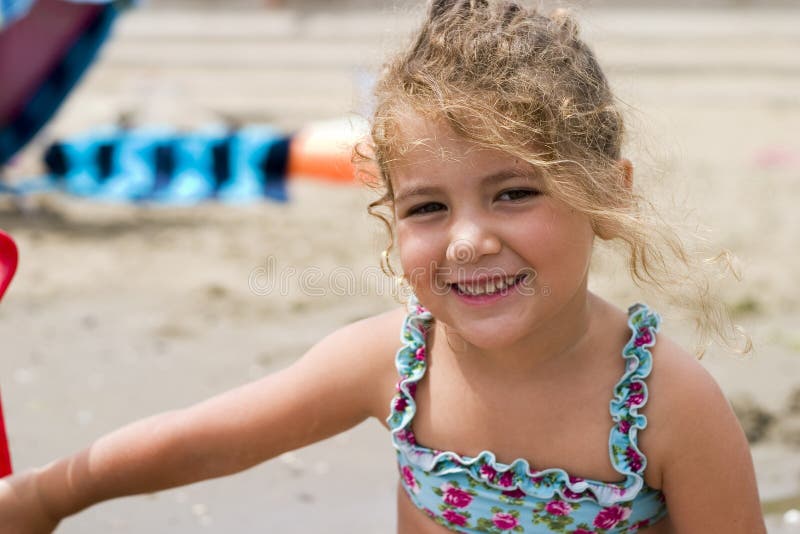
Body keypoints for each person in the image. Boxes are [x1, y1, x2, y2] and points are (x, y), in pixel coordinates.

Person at [0, 1, 766, 532]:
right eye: (428, 208)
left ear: (605, 194)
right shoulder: (400, 362)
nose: (467, 241)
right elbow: (212, 437)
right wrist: (47, 495)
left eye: (514, 192)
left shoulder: (663, 402)